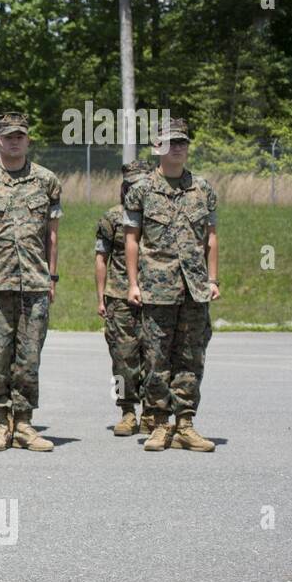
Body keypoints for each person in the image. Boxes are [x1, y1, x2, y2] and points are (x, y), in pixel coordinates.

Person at [0, 112, 61, 452]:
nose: (15, 140)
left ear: (27, 139)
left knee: (29, 359)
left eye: (21, 135)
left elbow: (52, 236)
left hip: (34, 283)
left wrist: (51, 277)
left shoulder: (46, 181)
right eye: (9, 136)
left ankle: (24, 424)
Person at [124, 118, 219, 453]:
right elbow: (132, 240)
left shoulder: (203, 189)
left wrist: (212, 278)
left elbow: (210, 237)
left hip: (194, 287)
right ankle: (160, 424)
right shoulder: (141, 190)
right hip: (156, 288)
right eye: (170, 142)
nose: (177, 147)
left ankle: (186, 424)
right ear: (157, 147)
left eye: (182, 142)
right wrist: (133, 283)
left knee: (192, 357)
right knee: (156, 357)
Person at [96, 159, 153, 436]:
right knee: (122, 358)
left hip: (156, 295)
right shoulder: (112, 217)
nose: (134, 191)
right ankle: (127, 411)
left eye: (140, 185)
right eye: (130, 185)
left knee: (156, 357)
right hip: (119, 297)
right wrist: (100, 298)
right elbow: (101, 258)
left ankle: (153, 411)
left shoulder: (158, 215)